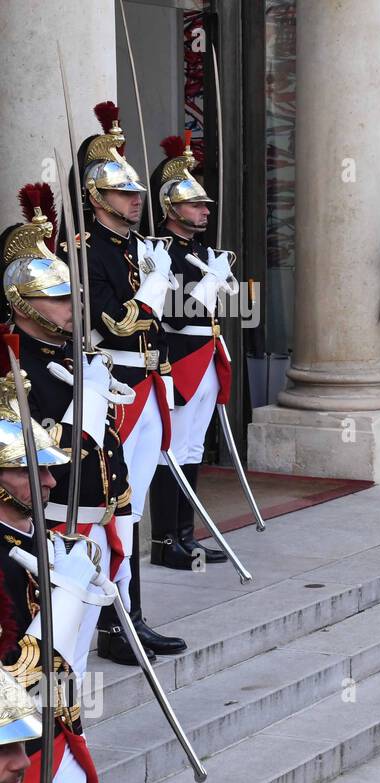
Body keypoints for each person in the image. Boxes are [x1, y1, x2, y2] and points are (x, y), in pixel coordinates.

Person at [3, 181, 135, 671]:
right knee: (47, 664)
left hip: (93, 519)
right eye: (58, 299)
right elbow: (28, 451)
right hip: (52, 523)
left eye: (73, 296)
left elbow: (109, 445)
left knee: (74, 663)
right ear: (21, 304)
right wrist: (85, 411)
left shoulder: (75, 356)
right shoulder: (11, 368)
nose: (73, 308)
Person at [71, 101, 185, 661]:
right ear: (97, 197)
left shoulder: (139, 248)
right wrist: (155, 290)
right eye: (124, 193)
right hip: (114, 388)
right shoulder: (87, 252)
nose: (136, 200)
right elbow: (115, 320)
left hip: (148, 385)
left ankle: (131, 618)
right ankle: (114, 626)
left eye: (138, 192)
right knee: (113, 508)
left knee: (133, 507)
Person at [0, 391, 116, 783]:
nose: (49, 481)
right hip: (12, 737)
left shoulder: (46, 542)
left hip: (58, 716)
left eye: (49, 469)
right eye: (32, 471)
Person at [148, 133, 234, 567]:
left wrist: (220, 283)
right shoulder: (159, 253)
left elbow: (224, 307)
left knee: (194, 449)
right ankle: (165, 543)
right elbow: (175, 314)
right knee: (174, 449)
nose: (204, 211)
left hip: (207, 355)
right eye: (196, 205)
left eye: (205, 206)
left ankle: (187, 535)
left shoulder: (199, 249)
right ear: (171, 209)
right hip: (180, 356)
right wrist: (211, 281)